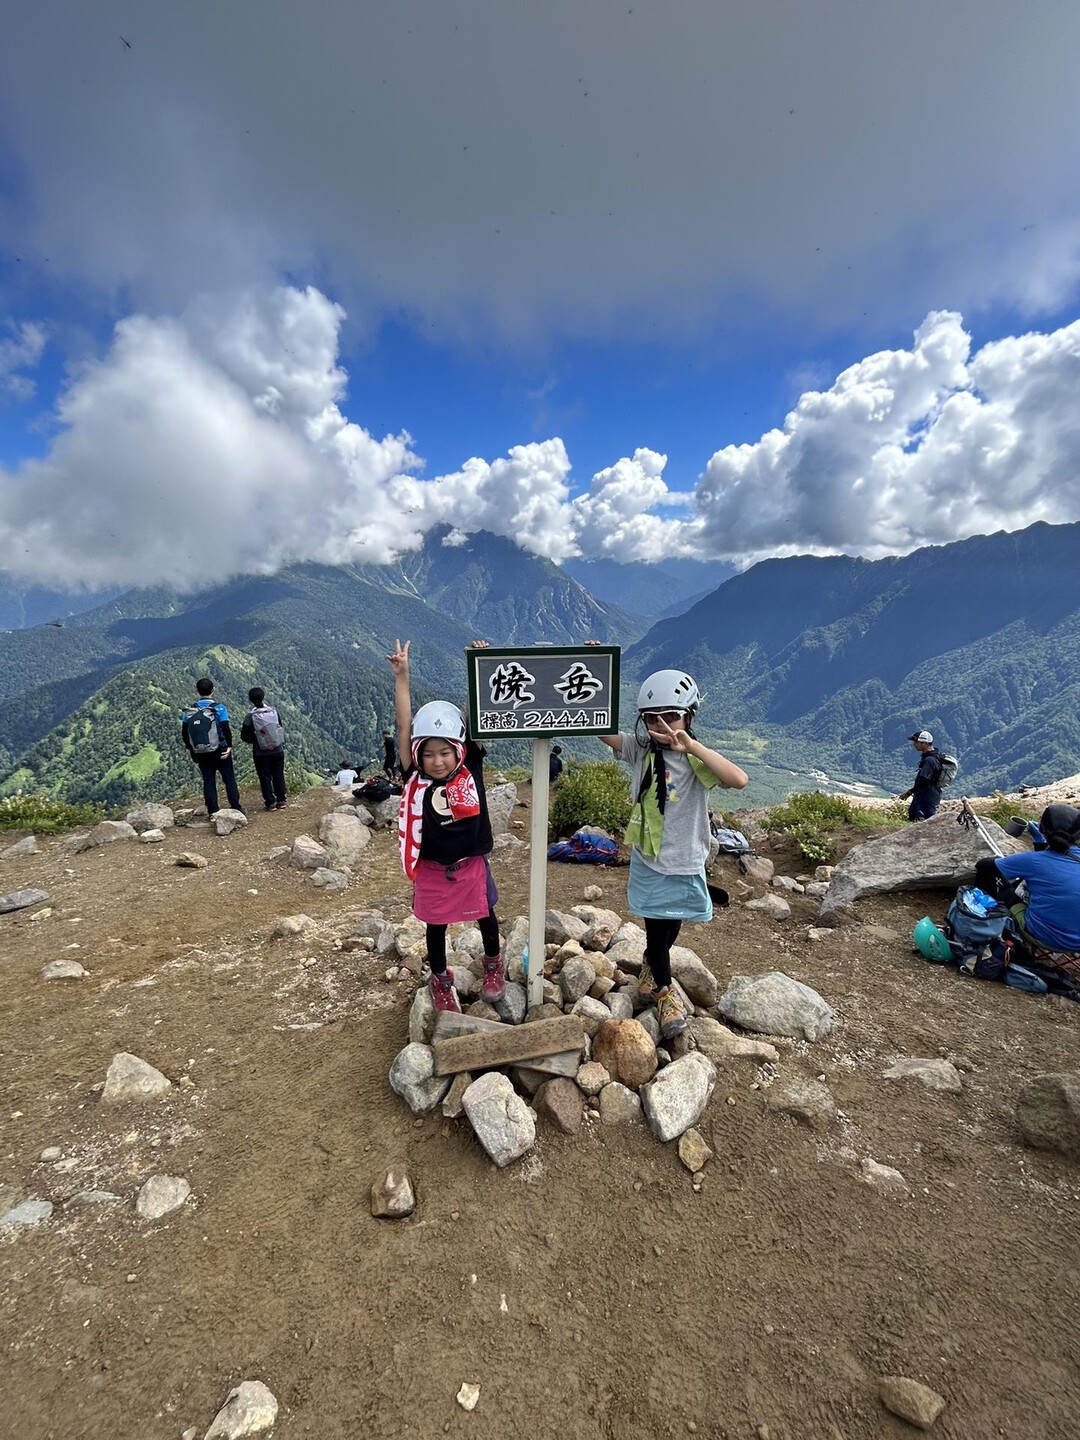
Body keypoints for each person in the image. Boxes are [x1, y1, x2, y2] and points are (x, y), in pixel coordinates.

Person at [599, 669, 748, 1040]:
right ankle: (665, 995)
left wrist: (692, 747)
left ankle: (651, 965)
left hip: (686, 858)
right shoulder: (639, 750)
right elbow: (598, 728)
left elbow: (739, 780)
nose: (661, 726)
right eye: (652, 718)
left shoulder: (697, 761)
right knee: (655, 929)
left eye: (672, 716)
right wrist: (594, 673)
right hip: (649, 858)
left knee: (672, 925)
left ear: (689, 716)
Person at [389, 637, 504, 1012]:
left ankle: (493, 965)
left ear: (459, 750)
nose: (437, 761)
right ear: (417, 754)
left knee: (486, 916)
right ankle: (440, 979)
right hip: (432, 867)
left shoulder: (471, 766)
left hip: (470, 863)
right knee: (435, 927)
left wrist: (478, 667)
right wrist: (402, 676)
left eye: (444, 753)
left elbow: (476, 719)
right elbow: (403, 725)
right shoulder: (414, 775)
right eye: (428, 754)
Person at [974, 804, 1080, 965]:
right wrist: (1040, 843)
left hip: (1047, 937)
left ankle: (980, 914)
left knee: (1003, 882)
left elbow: (985, 866)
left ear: (1043, 829)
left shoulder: (1034, 861)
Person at [181, 678, 243, 817]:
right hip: (220, 750)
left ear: (197, 691)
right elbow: (226, 728)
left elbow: (184, 731)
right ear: (212, 691)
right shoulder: (219, 708)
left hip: (201, 751)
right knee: (229, 779)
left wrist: (189, 748)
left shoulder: (190, 710)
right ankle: (236, 807)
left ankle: (212, 811)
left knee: (208, 781)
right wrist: (229, 746)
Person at [240, 686, 287, 811]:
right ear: (264, 697)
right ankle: (281, 800)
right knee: (278, 774)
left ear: (250, 700)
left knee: (265, 777)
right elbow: (279, 728)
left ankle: (270, 803)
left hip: (260, 752)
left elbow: (244, 736)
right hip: (277, 749)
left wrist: (256, 741)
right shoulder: (274, 712)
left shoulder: (250, 716)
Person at [898, 730, 944, 821]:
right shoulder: (934, 758)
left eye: (916, 742)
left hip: (925, 800)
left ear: (925, 743)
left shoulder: (929, 761)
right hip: (929, 797)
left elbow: (924, 781)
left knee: (921, 821)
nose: (914, 744)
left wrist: (909, 793)